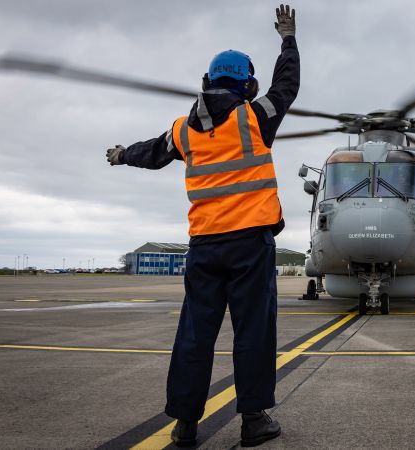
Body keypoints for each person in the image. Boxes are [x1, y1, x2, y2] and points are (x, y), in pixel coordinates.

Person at [105, 5, 298, 447]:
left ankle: (185, 424)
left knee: (195, 335)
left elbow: (151, 152)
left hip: (204, 248)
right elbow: (287, 86)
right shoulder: (255, 117)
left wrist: (120, 154)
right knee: (253, 333)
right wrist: (288, 40)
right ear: (246, 83)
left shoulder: (183, 131)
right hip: (250, 245)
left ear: (209, 81)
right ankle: (253, 420)